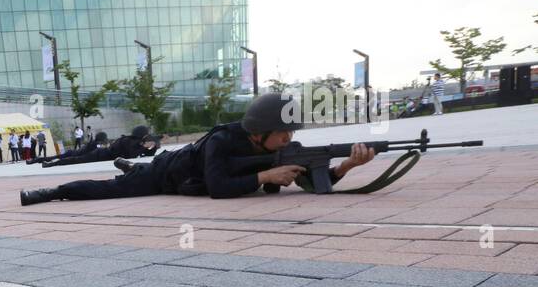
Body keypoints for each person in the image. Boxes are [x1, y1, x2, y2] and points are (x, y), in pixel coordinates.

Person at [19, 93, 376, 206]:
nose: (288, 140)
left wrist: (346, 167)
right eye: (282, 133)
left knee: (134, 171)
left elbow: (313, 180)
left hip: (184, 170)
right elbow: (218, 189)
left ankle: (130, 165)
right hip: (167, 174)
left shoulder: (284, 147)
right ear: (261, 132)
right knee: (112, 189)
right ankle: (55, 191)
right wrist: (265, 175)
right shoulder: (221, 141)